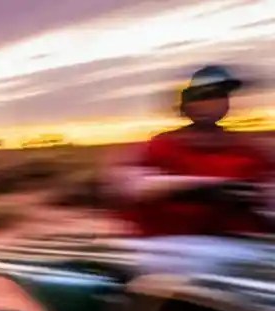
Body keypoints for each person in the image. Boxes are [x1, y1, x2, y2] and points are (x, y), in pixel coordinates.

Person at [114, 65, 274, 239]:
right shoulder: (162, 145)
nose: (213, 103)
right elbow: (138, 186)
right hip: (173, 244)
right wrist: (205, 188)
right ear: (187, 105)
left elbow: (267, 191)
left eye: (221, 96)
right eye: (204, 96)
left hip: (241, 244)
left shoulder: (246, 149)